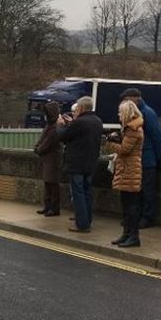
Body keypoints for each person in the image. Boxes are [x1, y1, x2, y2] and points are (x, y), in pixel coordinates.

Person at [120, 88, 161, 228]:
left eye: (127, 99)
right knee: (136, 191)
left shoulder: (147, 113)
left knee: (147, 190)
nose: (125, 102)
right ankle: (135, 217)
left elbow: (158, 137)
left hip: (147, 159)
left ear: (136, 98)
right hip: (137, 159)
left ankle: (147, 217)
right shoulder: (133, 114)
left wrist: (158, 159)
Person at [58, 96, 104, 233]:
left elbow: (63, 137)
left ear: (82, 108)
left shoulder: (80, 122)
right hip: (90, 162)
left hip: (77, 163)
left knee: (78, 193)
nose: (76, 109)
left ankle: (82, 224)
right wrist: (72, 123)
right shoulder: (97, 121)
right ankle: (87, 219)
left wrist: (61, 125)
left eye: (77, 107)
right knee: (87, 192)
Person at [106, 100, 145, 247]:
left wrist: (111, 143)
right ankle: (126, 234)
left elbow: (125, 150)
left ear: (126, 113)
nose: (118, 114)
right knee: (126, 204)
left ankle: (133, 236)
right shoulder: (130, 129)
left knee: (132, 205)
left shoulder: (133, 129)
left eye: (120, 112)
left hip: (130, 169)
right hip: (128, 168)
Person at [34, 102, 63, 216]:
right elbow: (42, 140)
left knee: (53, 184)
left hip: (53, 159)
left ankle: (54, 208)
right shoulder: (50, 126)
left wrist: (38, 149)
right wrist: (38, 147)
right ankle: (47, 206)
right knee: (48, 183)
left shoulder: (55, 128)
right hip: (47, 159)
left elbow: (47, 143)